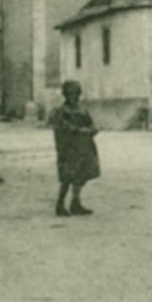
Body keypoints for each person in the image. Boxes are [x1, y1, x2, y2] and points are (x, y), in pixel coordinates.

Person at [49, 80, 101, 217]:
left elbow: (92, 125)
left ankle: (75, 202)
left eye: (76, 94)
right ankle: (60, 204)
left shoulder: (82, 110)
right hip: (69, 149)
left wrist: (91, 130)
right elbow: (62, 128)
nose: (74, 97)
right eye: (70, 94)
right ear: (65, 95)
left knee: (82, 175)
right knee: (67, 177)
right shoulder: (61, 112)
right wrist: (78, 131)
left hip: (84, 148)